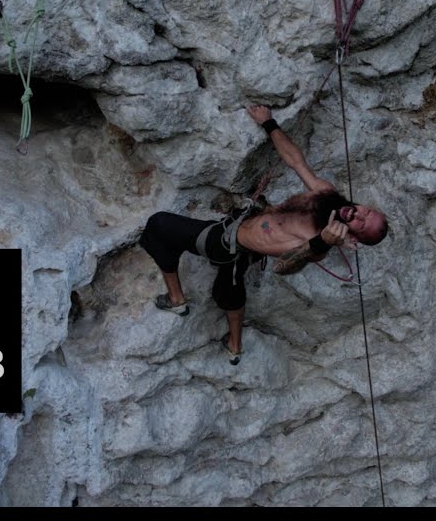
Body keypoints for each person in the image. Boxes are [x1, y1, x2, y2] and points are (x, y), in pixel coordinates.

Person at [138, 104, 389, 364]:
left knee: (159, 226)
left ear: (353, 237)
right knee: (227, 289)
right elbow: (295, 160)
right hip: (246, 244)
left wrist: (322, 242)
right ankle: (234, 346)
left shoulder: (316, 244)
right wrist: (269, 123)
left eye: (361, 223)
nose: (357, 214)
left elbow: (283, 266)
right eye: (365, 211)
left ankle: (176, 298)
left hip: (226, 241)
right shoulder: (327, 196)